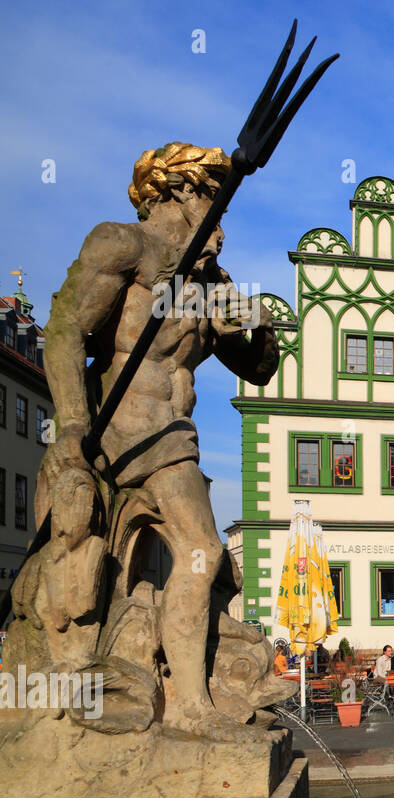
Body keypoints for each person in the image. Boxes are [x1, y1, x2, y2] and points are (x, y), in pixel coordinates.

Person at [42, 142, 278, 738]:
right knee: (204, 549)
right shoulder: (123, 245)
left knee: (203, 563)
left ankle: (177, 683)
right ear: (178, 189)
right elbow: (66, 331)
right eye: (213, 201)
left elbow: (257, 371)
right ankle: (194, 710)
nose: (221, 225)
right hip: (127, 429)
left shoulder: (206, 281)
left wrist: (262, 324)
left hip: (177, 436)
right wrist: (72, 424)